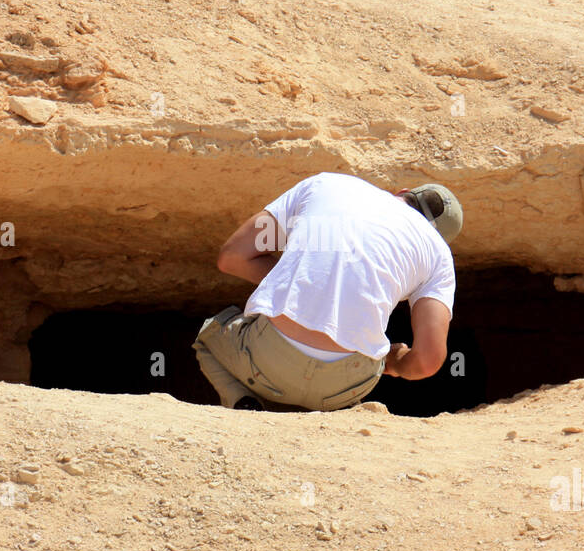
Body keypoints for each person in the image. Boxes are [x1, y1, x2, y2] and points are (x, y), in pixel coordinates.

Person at [192, 172, 462, 412]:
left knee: (209, 336)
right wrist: (396, 359)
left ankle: (244, 403)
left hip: (265, 362)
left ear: (402, 192)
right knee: (345, 383)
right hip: (347, 384)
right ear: (437, 237)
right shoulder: (437, 254)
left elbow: (232, 257)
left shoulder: (326, 184)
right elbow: (428, 362)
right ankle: (330, 416)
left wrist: (296, 281)